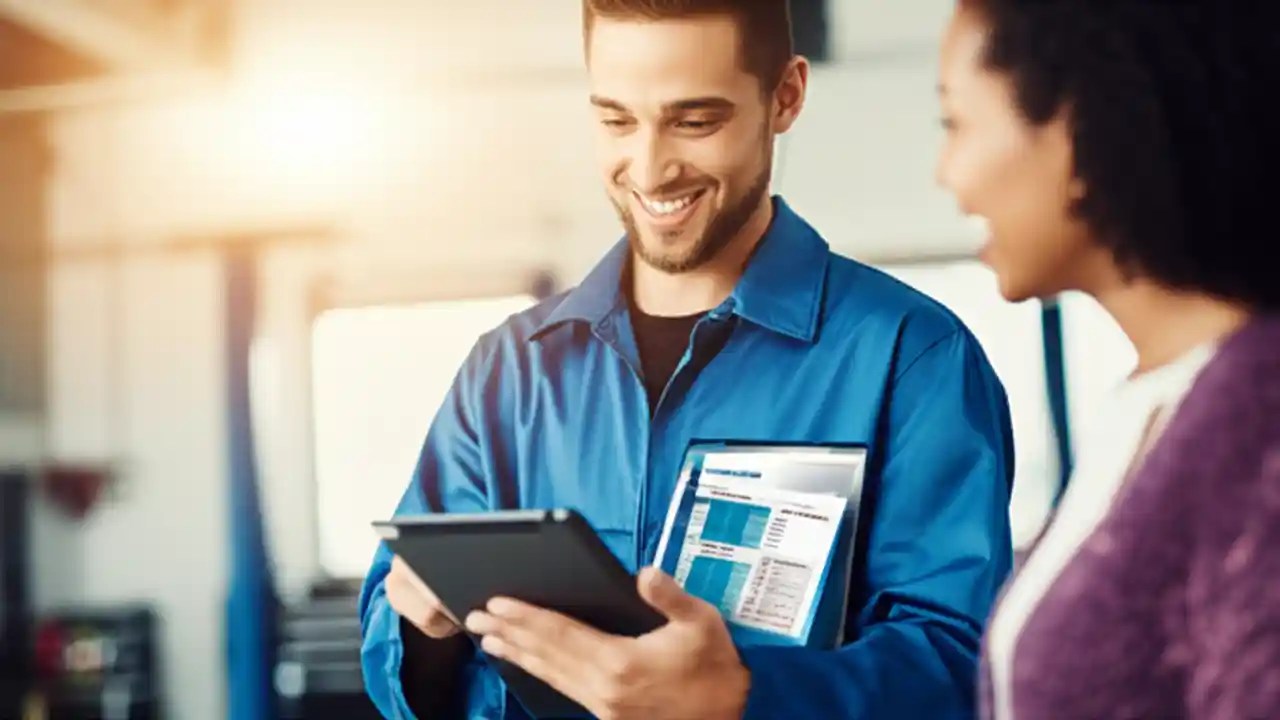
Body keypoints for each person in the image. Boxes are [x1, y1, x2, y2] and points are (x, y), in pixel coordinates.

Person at [361, 1, 1016, 718]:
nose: (649, 169)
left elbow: (964, 665)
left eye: (694, 122)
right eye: (616, 120)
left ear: (786, 96)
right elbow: (397, 652)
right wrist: (425, 631)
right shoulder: (508, 372)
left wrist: (739, 698)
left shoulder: (911, 359)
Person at [934, 1, 1280, 718]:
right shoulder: (1155, 402)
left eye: (956, 124)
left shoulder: (1258, 408)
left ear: (1075, 132)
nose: (947, 174)